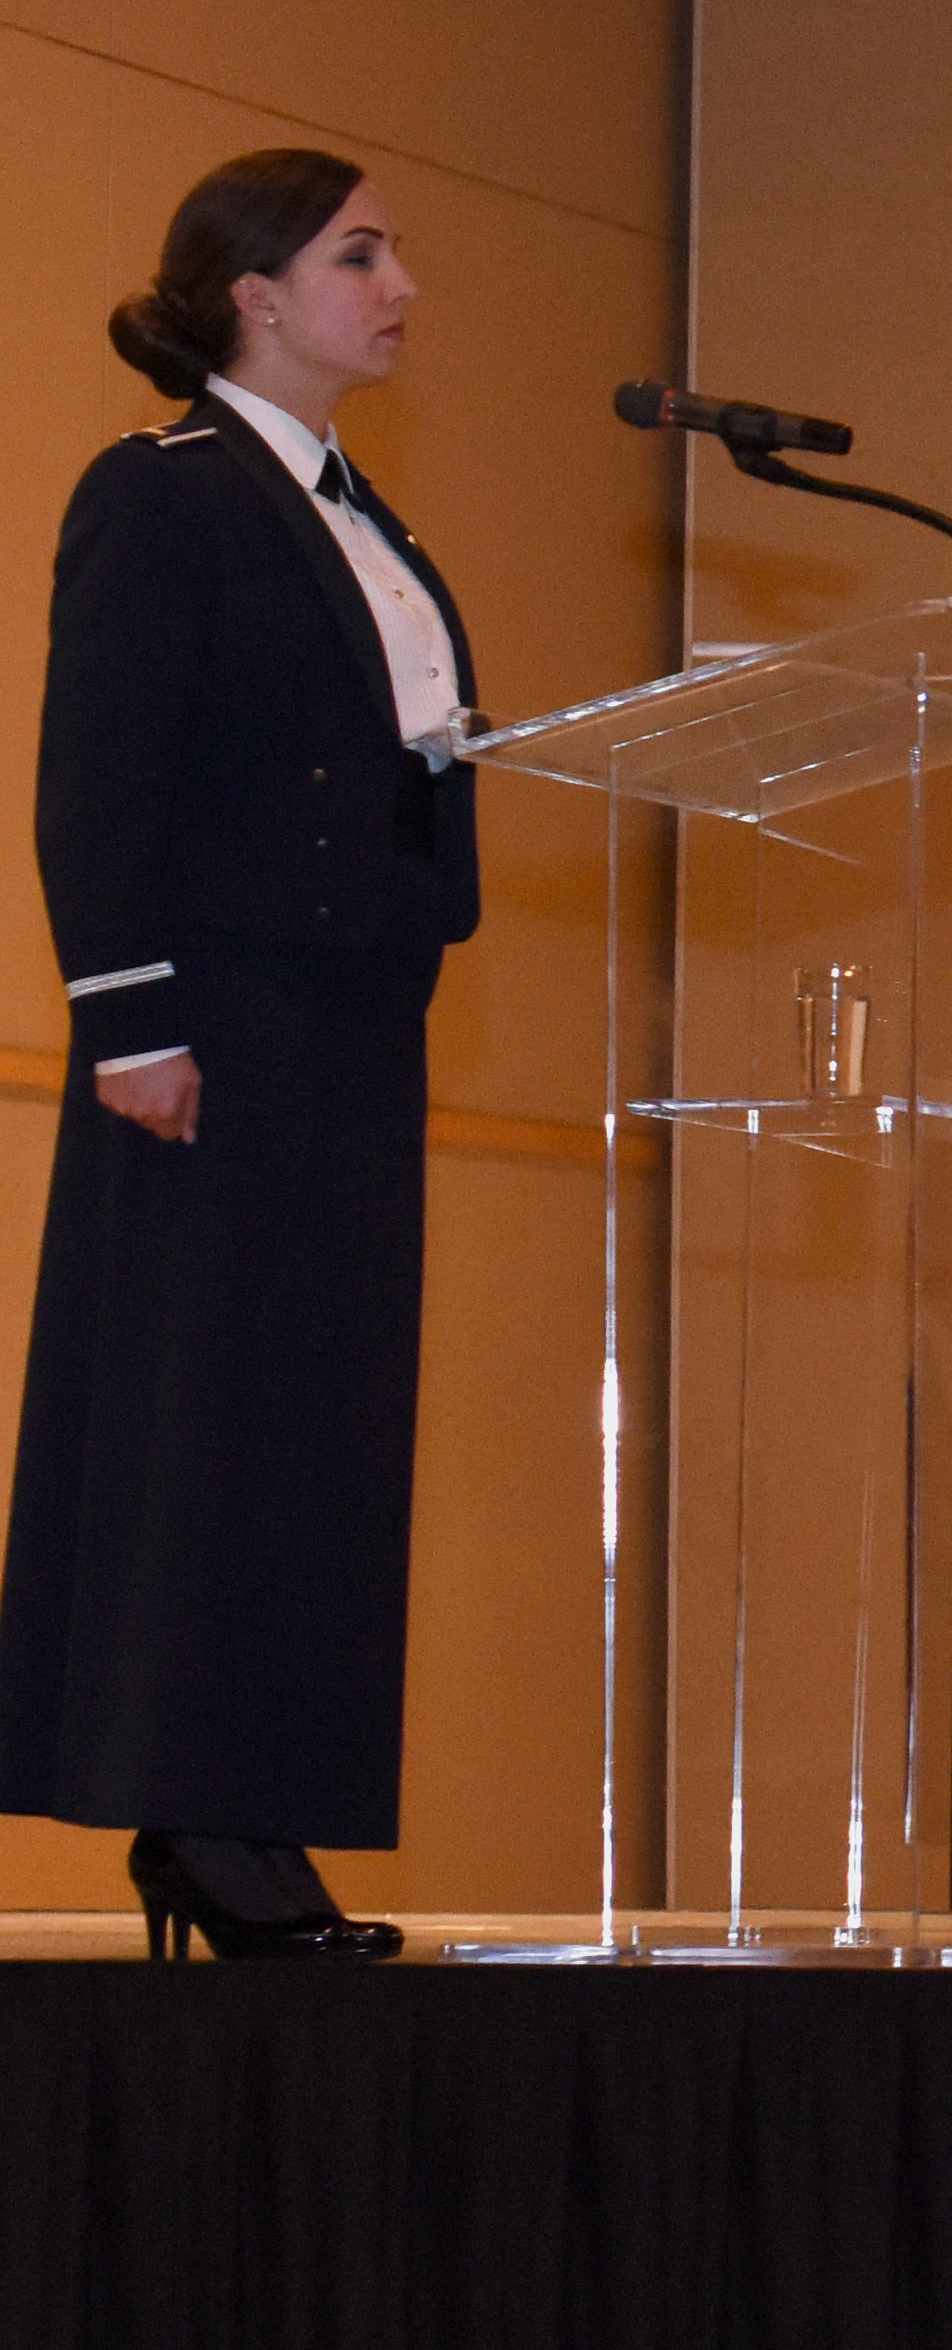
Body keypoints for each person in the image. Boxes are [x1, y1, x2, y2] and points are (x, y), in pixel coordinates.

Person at [0, 151, 480, 1958]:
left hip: (347, 1022)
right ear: (255, 295)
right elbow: (96, 772)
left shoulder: (363, 514)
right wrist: (129, 1015)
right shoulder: (164, 491)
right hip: (215, 1024)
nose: (400, 284)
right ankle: (198, 1816)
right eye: (361, 253)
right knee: (206, 1417)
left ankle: (255, 1812)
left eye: (394, 250)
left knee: (312, 1429)